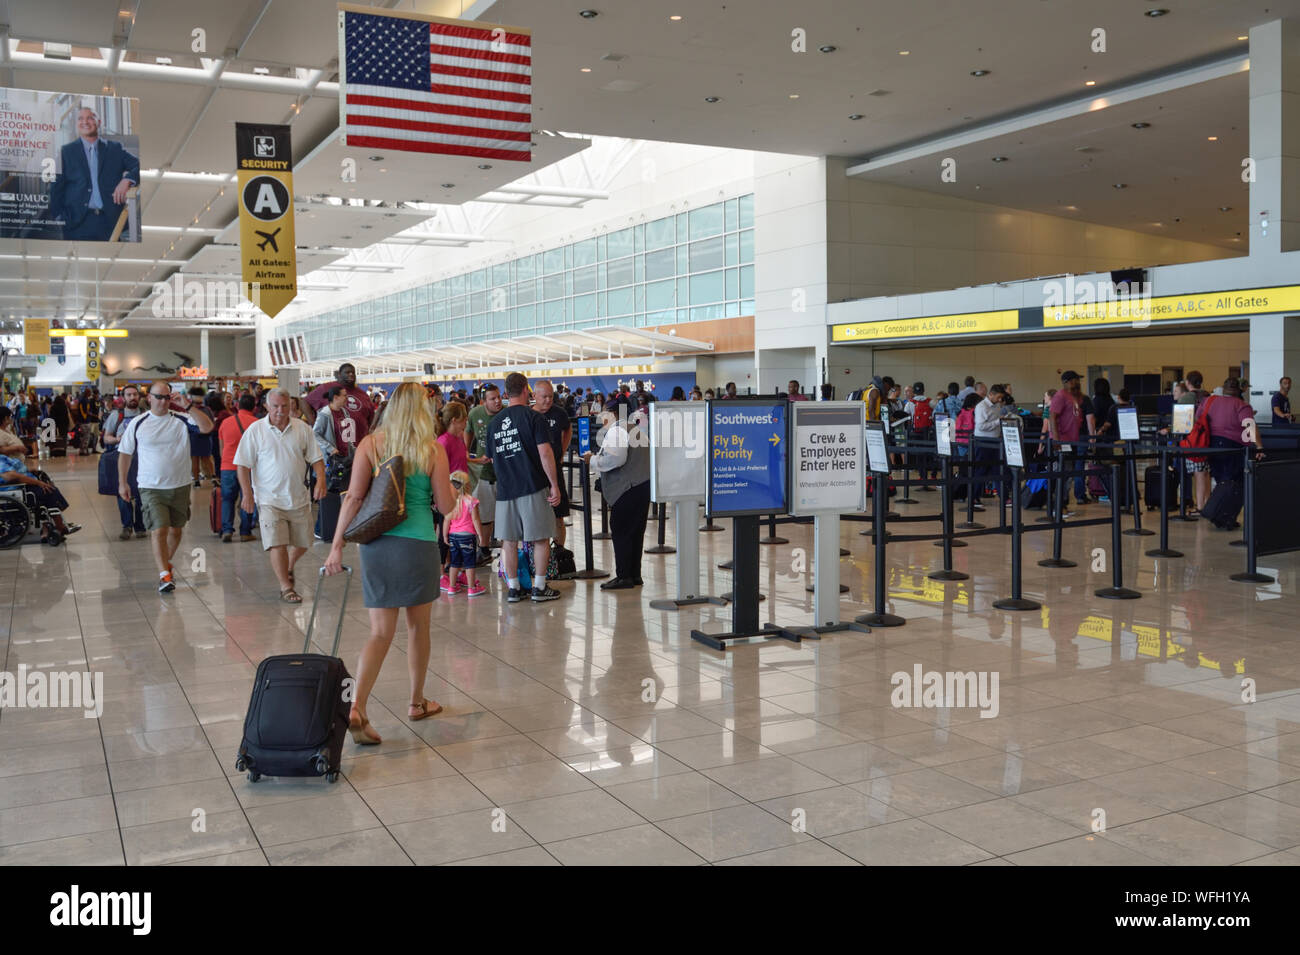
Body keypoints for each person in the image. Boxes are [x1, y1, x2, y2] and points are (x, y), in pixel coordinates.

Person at [324, 382, 457, 745]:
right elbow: (446, 507)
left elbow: (352, 499)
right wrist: (455, 490)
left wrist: (336, 547)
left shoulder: (371, 444)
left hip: (376, 546)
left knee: (380, 632)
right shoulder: (431, 450)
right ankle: (416, 703)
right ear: (423, 412)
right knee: (418, 628)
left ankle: (357, 706)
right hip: (417, 545)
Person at [117, 383, 214, 593]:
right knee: (159, 528)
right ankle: (164, 575)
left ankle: (165, 563)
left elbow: (207, 428)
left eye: (166, 397)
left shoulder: (181, 419)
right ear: (149, 398)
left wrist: (187, 406)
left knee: (176, 530)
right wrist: (122, 482)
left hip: (179, 485)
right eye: (158, 397)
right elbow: (125, 453)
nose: (162, 401)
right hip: (150, 486)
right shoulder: (138, 423)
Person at [234, 388, 325, 604]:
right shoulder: (256, 430)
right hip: (268, 500)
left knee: (304, 542)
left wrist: (321, 480)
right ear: (266, 406)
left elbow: (316, 458)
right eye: (275, 406)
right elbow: (242, 465)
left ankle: (289, 566)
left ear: (291, 406)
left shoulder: (302, 429)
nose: (280, 411)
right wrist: (247, 494)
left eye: (284, 406)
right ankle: (286, 587)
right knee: (277, 543)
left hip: (298, 498)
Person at [485, 373, 562, 603]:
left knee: (508, 541)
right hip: (533, 487)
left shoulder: (494, 423)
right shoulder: (533, 417)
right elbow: (545, 453)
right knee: (540, 538)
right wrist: (555, 485)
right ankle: (539, 587)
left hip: (506, 491)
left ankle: (514, 589)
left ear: (506, 393)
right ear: (527, 391)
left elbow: (490, 458)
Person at [49, 106, 140, 241]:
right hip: (76, 223)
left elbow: (139, 166)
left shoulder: (114, 148)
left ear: (99, 122)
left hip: (109, 221)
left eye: (90, 118)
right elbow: (55, 187)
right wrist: (59, 217)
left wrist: (126, 181)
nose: (85, 122)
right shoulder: (66, 151)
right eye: (80, 118)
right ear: (76, 124)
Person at [585, 404, 651, 589]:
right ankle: (634, 574)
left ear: (613, 414)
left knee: (621, 530)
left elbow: (616, 459)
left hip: (627, 489)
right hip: (642, 485)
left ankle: (624, 577)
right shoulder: (634, 428)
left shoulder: (618, 430)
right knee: (635, 532)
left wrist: (593, 460)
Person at [1199, 378, 1263, 493]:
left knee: (1220, 480)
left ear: (1223, 389)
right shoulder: (1241, 405)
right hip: (1233, 447)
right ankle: (1225, 508)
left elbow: (1197, 418)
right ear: (1238, 390)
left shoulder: (1208, 401)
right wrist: (1259, 446)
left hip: (1211, 445)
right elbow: (1250, 426)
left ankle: (1218, 506)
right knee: (1232, 482)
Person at [0, 453, 80, 541]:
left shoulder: (2, 457)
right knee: (48, 491)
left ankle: (50, 527)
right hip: (15, 490)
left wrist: (29, 471)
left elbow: (14, 471)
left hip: (21, 487)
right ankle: (59, 526)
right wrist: (37, 482)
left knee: (47, 487)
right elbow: (10, 476)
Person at [532, 380, 572, 551]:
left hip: (555, 470)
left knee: (558, 514)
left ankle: (559, 550)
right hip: (534, 473)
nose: (548, 400)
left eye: (551, 396)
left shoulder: (559, 413)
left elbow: (568, 429)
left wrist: (562, 452)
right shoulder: (528, 415)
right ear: (534, 396)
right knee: (536, 515)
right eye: (544, 397)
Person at [102, 385, 146, 539]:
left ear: (139, 396)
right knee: (122, 492)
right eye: (129, 395)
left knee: (142, 492)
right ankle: (126, 526)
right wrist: (117, 439)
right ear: (123, 397)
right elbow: (106, 437)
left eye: (135, 394)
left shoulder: (146, 414)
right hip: (121, 458)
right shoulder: (116, 415)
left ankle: (140, 526)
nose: (132, 397)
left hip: (143, 459)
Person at [465, 383, 502, 563]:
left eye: (499, 397)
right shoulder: (475, 414)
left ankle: (508, 549)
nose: (497, 401)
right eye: (492, 399)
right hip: (483, 472)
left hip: (505, 474)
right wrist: (465, 454)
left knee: (504, 514)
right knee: (485, 514)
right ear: (483, 401)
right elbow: (468, 434)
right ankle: (484, 548)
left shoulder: (506, 413)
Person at [218, 394, 259, 543]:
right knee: (247, 498)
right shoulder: (256, 424)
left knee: (227, 499)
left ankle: (227, 530)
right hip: (248, 468)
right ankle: (245, 532)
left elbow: (221, 448)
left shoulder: (225, 422)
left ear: (237, 405)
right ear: (254, 407)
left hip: (227, 466)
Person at [441, 470, 486, 598]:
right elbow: (476, 520)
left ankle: (451, 587)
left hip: (453, 536)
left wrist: (445, 536)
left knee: (455, 563)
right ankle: (472, 588)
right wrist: (481, 535)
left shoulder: (450, 502)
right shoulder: (471, 501)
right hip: (467, 536)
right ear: (467, 485)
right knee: (469, 564)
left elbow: (446, 520)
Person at [305, 363, 374, 440]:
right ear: (340, 375)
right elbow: (304, 401)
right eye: (347, 372)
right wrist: (313, 423)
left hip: (359, 443)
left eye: (353, 372)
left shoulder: (363, 394)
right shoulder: (326, 388)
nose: (351, 374)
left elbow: (371, 419)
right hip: (333, 445)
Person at [1048, 371, 1087, 507]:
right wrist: (1057, 440)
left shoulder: (1074, 397)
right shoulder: (1060, 396)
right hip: (1062, 441)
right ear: (1067, 382)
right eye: (1076, 380)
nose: (1078, 383)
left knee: (1069, 473)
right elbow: (1052, 417)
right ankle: (1057, 505)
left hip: (1072, 441)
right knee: (1062, 473)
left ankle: (1063, 503)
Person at [1177, 370, 1211, 512]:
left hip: (1194, 440)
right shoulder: (1208, 397)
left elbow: (1181, 425)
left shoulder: (1185, 399)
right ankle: (1208, 504)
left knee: (1198, 473)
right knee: (1207, 472)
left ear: (1187, 382)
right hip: (1209, 438)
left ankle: (1200, 507)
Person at [186, 387, 216, 488]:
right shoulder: (204, 409)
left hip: (200, 438)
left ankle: (209, 477)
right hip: (198, 438)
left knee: (204, 459)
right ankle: (198, 479)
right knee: (198, 459)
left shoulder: (204, 409)